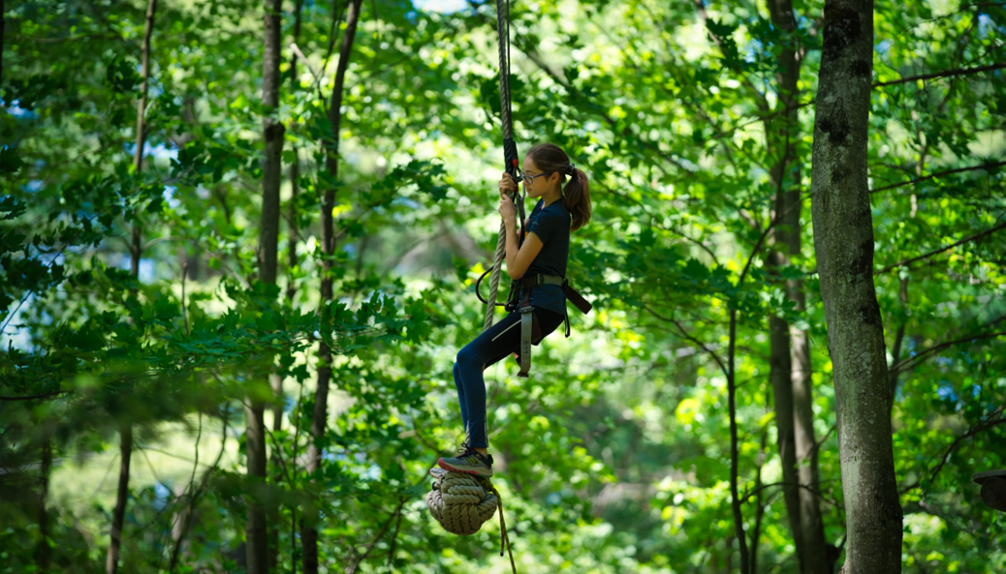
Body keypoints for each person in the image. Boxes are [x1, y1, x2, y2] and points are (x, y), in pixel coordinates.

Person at [437, 143, 592, 477]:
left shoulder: (552, 216)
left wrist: (508, 221)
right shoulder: (542, 209)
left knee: (468, 359)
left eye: (531, 176)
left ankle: (477, 452)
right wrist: (512, 197)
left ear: (554, 178)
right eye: (524, 175)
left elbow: (516, 268)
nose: (527, 181)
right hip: (533, 307)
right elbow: (520, 247)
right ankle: (473, 448)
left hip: (539, 308)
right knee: (462, 365)